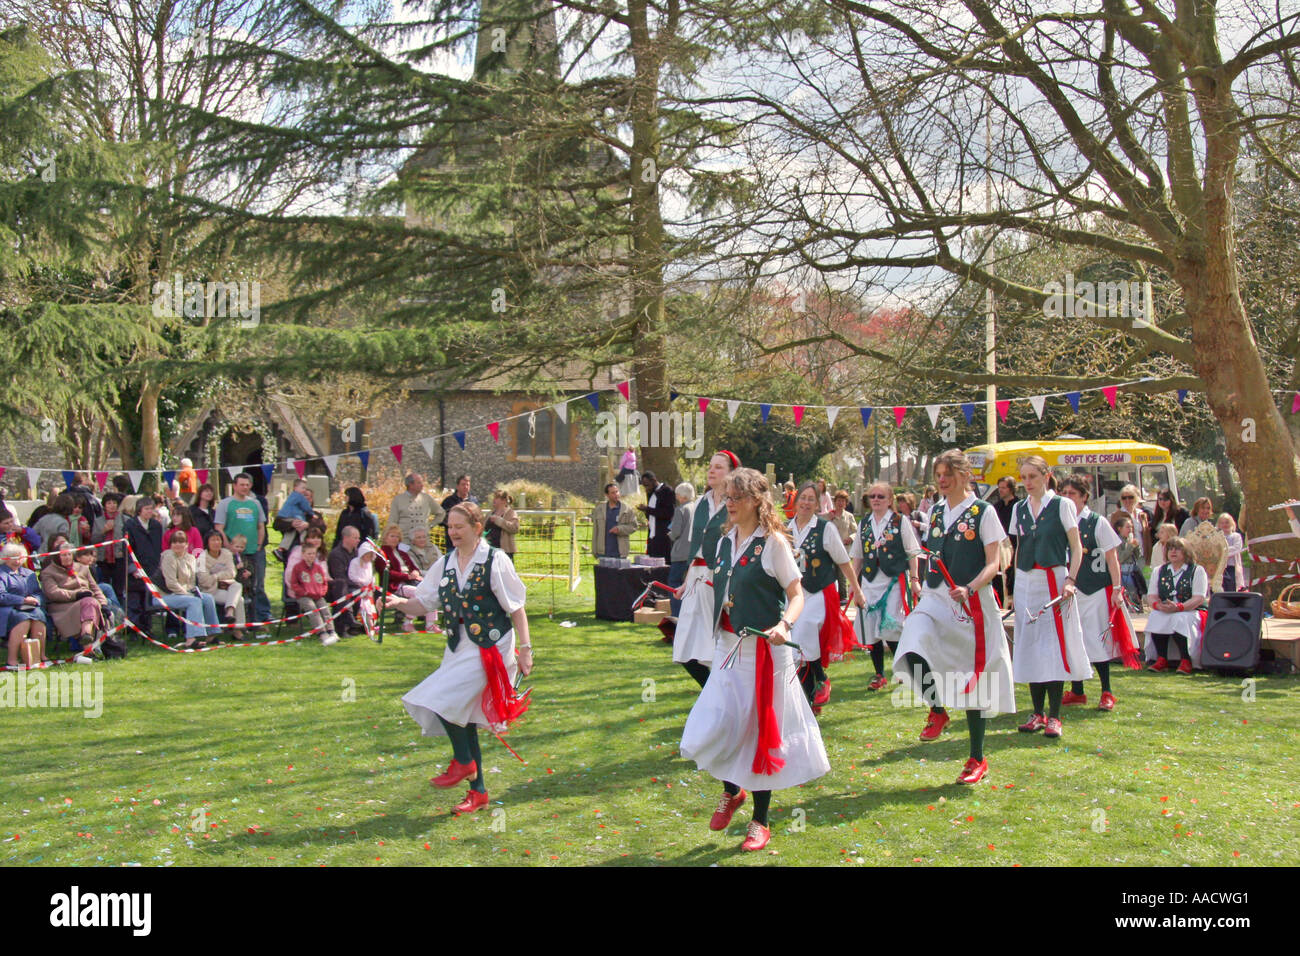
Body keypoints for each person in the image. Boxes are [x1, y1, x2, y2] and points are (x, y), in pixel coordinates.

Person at [680, 467, 828, 852]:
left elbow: (797, 593)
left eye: (735, 498)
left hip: (766, 651)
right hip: (729, 646)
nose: (728, 504)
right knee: (716, 722)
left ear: (756, 502)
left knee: (761, 731)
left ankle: (760, 822)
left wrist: (784, 624)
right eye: (726, 497)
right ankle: (733, 789)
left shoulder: (774, 543)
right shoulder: (726, 539)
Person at [395, 502, 533, 815]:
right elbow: (424, 603)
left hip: (490, 648)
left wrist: (526, 649)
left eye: (459, 527)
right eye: (449, 527)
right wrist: (397, 603)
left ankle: (464, 762)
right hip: (457, 646)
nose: (452, 532)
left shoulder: (494, 560)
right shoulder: (445, 563)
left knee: (440, 698)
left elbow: (517, 608)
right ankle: (478, 792)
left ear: (476, 528)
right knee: (464, 715)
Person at [893, 449, 1015, 784]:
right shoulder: (934, 511)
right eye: (938, 475)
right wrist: (917, 580)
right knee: (911, 642)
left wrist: (971, 587)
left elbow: (996, 562)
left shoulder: (984, 511)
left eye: (947, 474)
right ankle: (937, 708)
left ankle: (977, 758)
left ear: (963, 474)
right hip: (935, 597)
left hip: (971, 603)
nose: (942, 480)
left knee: (974, 675)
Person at [1010, 456, 1090, 739]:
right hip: (1026, 582)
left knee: (1053, 646)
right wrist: (1012, 589)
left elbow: (1076, 547)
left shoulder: (1062, 505)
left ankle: (1055, 715)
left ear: (1047, 476)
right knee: (1030, 645)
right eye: (1024, 477)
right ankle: (1036, 713)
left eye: (1033, 476)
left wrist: (1070, 579)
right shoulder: (1019, 508)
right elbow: (1019, 547)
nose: (1028, 482)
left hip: (1054, 580)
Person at [1059, 475, 1137, 711]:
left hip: (1094, 588)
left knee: (1097, 640)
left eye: (1072, 493)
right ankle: (1077, 690)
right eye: (1064, 493)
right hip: (1070, 589)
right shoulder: (1059, 521)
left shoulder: (1096, 522)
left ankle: (1107, 691)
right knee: (1074, 638)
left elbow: (1112, 556)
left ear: (1084, 497)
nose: (1067, 498)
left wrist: (1116, 588)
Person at [787, 482, 865, 711]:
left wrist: (856, 589)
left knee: (804, 634)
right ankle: (811, 698)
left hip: (819, 592)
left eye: (811, 499)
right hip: (794, 595)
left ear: (819, 503)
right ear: (795, 500)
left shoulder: (825, 529)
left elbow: (843, 561)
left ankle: (821, 678)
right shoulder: (785, 530)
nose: (806, 503)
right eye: (803, 498)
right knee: (795, 649)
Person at [672, 451, 740, 687]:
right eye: (710, 466)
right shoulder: (700, 502)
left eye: (719, 467)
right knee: (686, 647)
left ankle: (720, 694)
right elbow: (694, 549)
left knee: (714, 645)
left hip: (721, 579)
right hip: (696, 578)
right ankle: (711, 690)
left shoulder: (737, 504)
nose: (712, 471)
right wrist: (685, 582)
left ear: (731, 472)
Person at [853, 479, 921, 691]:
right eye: (872, 496)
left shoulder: (900, 521)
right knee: (871, 629)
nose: (875, 500)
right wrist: (854, 586)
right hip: (870, 582)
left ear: (890, 500)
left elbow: (912, 552)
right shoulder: (864, 523)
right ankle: (879, 674)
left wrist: (915, 580)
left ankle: (902, 668)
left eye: (880, 496)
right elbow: (857, 556)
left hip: (893, 582)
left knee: (891, 628)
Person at [1144, 537, 1208, 673]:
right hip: (1167, 609)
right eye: (1170, 549)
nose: (1173, 552)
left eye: (1178, 549)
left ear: (1186, 552)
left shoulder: (1197, 571)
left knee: (1181, 619)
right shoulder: (1159, 570)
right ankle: (1161, 659)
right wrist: (1158, 606)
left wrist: (1179, 607)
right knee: (1156, 616)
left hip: (1191, 610)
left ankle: (1186, 660)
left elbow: (1199, 597)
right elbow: (1151, 595)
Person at [215, 473, 270, 627]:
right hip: (233, 553)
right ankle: (233, 620)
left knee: (257, 584)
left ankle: (258, 618)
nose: (244, 487)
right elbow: (219, 527)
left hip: (254, 551)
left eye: (247, 485)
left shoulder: (255, 504)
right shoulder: (226, 504)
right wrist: (227, 546)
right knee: (234, 584)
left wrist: (259, 544)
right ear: (235, 485)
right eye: (241, 484)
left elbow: (261, 526)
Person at [41, 541, 109, 656]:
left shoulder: (83, 568)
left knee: (91, 603)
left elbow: (95, 589)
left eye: (69, 554)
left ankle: (86, 639)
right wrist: (76, 595)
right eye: (63, 555)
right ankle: (87, 641)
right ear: (57, 556)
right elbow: (52, 592)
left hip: (87, 603)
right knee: (90, 603)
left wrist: (104, 603)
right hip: (63, 607)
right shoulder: (48, 572)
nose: (67, 557)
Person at [159, 529, 223, 648]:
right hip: (165, 595)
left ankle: (212, 634)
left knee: (208, 598)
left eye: (180, 542)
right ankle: (191, 639)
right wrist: (187, 594)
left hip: (185, 593)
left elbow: (192, 582)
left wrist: (193, 592)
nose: (177, 545)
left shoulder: (191, 558)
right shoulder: (168, 557)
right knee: (194, 601)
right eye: (174, 542)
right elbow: (171, 583)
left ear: (187, 544)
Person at [1, 543, 49, 669]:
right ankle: (12, 660)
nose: (17, 561)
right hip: (7, 607)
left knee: (39, 615)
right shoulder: (1, 574)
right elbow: (2, 596)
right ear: (5, 558)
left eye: (19, 557)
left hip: (29, 607)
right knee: (23, 619)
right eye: (13, 558)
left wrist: (36, 600)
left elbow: (38, 593)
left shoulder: (29, 573)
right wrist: (23, 600)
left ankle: (39, 656)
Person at [286, 541, 340, 645]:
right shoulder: (298, 568)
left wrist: (323, 591)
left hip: (318, 595)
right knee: (313, 610)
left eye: (313, 554)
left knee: (325, 610)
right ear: (303, 555)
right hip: (304, 596)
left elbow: (324, 582)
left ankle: (331, 631)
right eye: (309, 554)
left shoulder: (318, 568)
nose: (311, 556)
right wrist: (303, 592)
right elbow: (294, 584)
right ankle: (322, 633)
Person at [197, 530, 246, 641]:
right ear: (207, 542)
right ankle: (236, 630)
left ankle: (230, 612)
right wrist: (219, 577)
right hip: (210, 591)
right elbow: (204, 581)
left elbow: (232, 573)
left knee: (237, 585)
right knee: (240, 599)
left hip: (227, 588)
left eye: (218, 539)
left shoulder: (226, 553)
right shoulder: (201, 557)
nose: (216, 542)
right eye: (213, 540)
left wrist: (214, 576)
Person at [124, 497, 165, 630]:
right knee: (135, 602)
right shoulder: (130, 525)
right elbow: (126, 549)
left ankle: (148, 630)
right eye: (146, 509)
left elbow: (159, 547)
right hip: (136, 570)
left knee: (148, 602)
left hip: (152, 568)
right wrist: (133, 568)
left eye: (151, 509)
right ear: (139, 510)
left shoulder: (156, 526)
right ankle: (135, 630)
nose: (149, 512)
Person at [379, 525, 426, 632]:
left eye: (397, 536)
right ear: (385, 537)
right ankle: (408, 622)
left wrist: (415, 572)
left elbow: (413, 567)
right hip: (395, 584)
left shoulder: (401, 552)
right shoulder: (382, 553)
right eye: (392, 536)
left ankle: (430, 623)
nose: (395, 539)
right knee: (417, 592)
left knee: (429, 589)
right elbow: (387, 573)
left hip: (409, 581)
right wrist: (407, 576)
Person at [666, 482, 697, 619]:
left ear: (682, 496)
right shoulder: (697, 507)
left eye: (678, 494)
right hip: (694, 552)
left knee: (675, 584)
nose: (676, 497)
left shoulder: (681, 510)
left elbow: (676, 531)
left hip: (680, 552)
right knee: (690, 585)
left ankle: (676, 615)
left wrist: (670, 534)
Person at [389, 473, 446, 546]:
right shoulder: (398, 499)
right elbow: (392, 522)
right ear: (410, 485)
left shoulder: (426, 498)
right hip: (405, 541)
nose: (422, 485)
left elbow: (441, 513)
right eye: (419, 483)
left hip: (423, 541)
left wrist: (430, 526)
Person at [272, 479, 322, 562]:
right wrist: (291, 524)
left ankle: (302, 545)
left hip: (309, 554)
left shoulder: (316, 515)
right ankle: (283, 549)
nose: (306, 498)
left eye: (309, 496)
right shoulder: (294, 509)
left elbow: (322, 527)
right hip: (290, 551)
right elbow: (276, 525)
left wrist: (308, 525)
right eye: (304, 494)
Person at [92, 492, 128, 605]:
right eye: (109, 503)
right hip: (103, 559)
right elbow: (93, 540)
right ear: (104, 505)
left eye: (114, 503)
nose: (112, 505)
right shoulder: (98, 521)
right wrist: (104, 530)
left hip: (119, 557)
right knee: (104, 586)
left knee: (119, 589)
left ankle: (120, 612)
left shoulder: (124, 519)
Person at [328, 526, 365, 636]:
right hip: (338, 587)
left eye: (359, 538)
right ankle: (343, 627)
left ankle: (364, 625)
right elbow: (339, 576)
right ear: (345, 538)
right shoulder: (336, 554)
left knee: (374, 593)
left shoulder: (358, 553)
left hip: (356, 584)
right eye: (355, 538)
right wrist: (358, 584)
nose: (358, 540)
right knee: (351, 592)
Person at [991, 476, 1020, 604]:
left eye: (1003, 488)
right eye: (999, 488)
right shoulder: (996, 507)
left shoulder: (1019, 506)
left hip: (1015, 548)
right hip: (999, 549)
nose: (1000, 491)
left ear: (1011, 489)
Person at [591, 483, 638, 559]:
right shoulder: (599, 509)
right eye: (613, 493)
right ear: (607, 495)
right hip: (603, 553)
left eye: (617, 491)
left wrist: (620, 529)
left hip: (620, 553)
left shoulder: (627, 509)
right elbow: (595, 531)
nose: (616, 494)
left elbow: (634, 526)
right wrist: (594, 550)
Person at [638, 471, 675, 559]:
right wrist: (645, 511)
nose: (646, 488)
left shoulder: (666, 490)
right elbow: (651, 514)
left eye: (647, 485)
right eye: (644, 486)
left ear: (653, 480)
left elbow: (669, 513)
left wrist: (648, 509)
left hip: (663, 534)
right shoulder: (650, 493)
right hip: (652, 534)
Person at [1111, 512, 1143, 605]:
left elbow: (1137, 557)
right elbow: (1120, 558)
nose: (1130, 529)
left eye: (1131, 527)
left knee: (1135, 591)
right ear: (1120, 528)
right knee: (1128, 593)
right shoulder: (1116, 541)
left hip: (1132, 569)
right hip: (1123, 571)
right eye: (1128, 527)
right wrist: (1130, 547)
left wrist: (1136, 547)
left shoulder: (1130, 538)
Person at [485, 491, 519, 559]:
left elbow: (515, 528)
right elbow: (483, 529)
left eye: (496, 498)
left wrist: (498, 520)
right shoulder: (490, 513)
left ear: (503, 501)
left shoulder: (511, 513)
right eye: (494, 498)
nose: (493, 500)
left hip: (505, 551)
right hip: (490, 549)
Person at [1217, 513, 1246, 591]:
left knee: (1231, 586)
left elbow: (1236, 548)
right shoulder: (1217, 537)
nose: (1225, 525)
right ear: (1219, 525)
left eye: (1227, 522)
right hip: (1219, 567)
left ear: (1231, 523)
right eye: (1222, 523)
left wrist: (1223, 552)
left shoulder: (1236, 536)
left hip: (1232, 566)